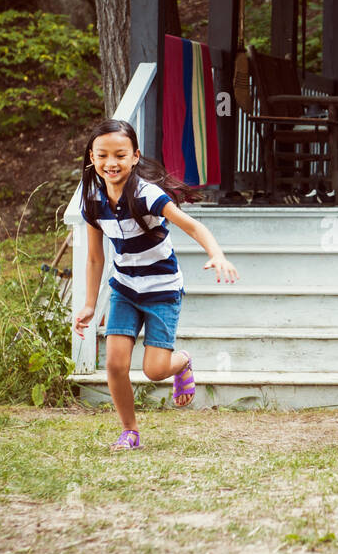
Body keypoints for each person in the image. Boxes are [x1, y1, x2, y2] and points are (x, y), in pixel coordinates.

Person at [72, 119, 238, 451]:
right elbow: (94, 258)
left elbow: (193, 227)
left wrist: (217, 254)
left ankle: (183, 362)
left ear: (134, 156)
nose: (111, 163)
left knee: (155, 370)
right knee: (115, 364)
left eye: (120, 155)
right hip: (124, 289)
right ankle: (130, 431)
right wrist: (91, 304)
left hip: (161, 290)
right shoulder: (91, 200)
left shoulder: (148, 195)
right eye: (103, 155)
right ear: (92, 157)